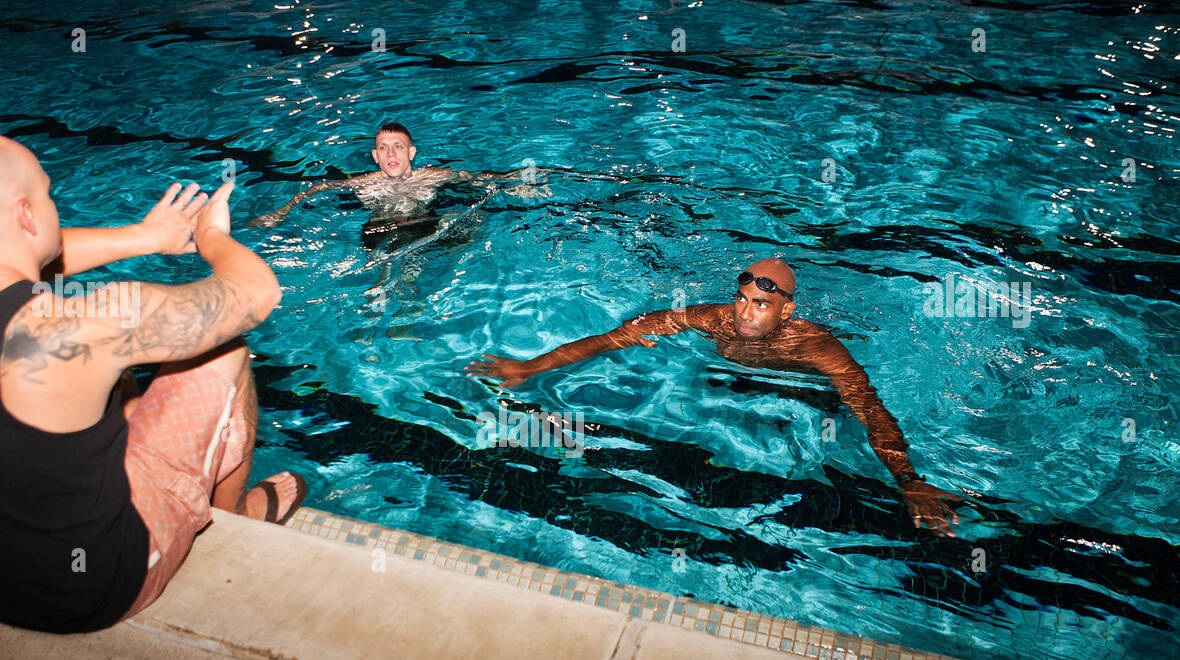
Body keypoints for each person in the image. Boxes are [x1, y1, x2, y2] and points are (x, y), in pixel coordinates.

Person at [0, 132, 306, 633]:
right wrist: (213, 235)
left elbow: (14, 261)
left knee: (109, 376)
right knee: (221, 350)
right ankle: (234, 516)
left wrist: (147, 237)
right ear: (25, 215)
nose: (52, 205)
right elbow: (254, 295)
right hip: (83, 591)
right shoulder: (74, 329)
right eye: (47, 194)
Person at [465, 257, 968, 537]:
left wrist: (907, 479)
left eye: (762, 305)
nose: (746, 314)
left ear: (786, 312)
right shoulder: (713, 320)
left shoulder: (818, 347)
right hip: (730, 375)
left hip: (802, 386)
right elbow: (618, 335)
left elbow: (870, 408)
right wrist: (531, 366)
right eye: (743, 299)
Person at [248, 120, 536, 247]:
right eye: (383, 148)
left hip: (421, 226)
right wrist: (281, 212)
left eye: (398, 146)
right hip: (378, 232)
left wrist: (517, 182)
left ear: (411, 152)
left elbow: (478, 178)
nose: (391, 153)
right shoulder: (364, 183)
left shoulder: (432, 175)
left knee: (469, 222)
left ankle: (405, 298)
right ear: (375, 156)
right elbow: (316, 188)